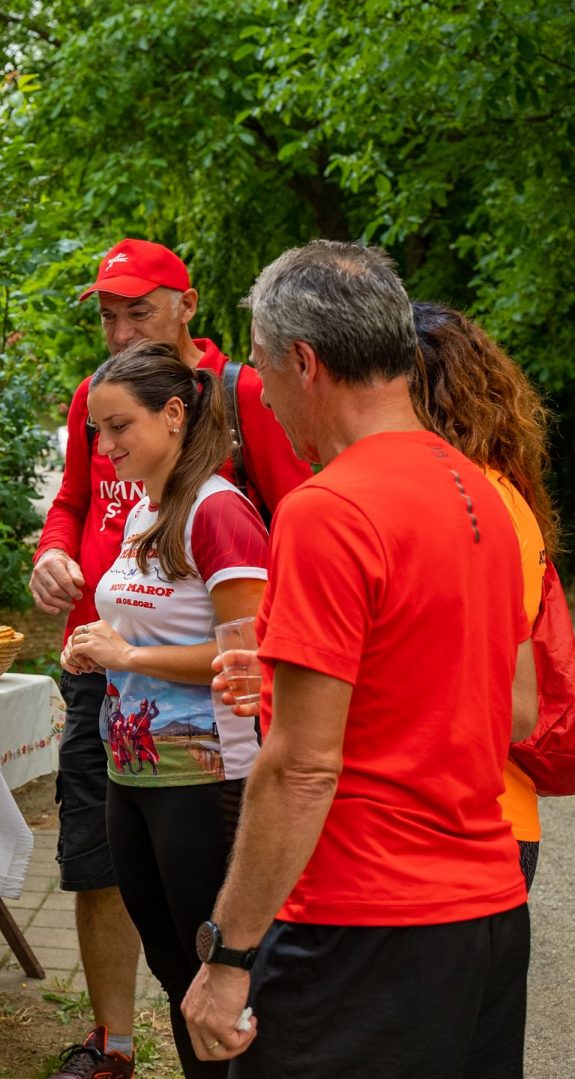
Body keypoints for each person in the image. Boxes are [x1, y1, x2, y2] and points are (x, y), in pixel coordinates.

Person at [181, 241, 537, 1078]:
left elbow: (300, 767)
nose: (260, 401)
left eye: (262, 373)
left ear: (303, 362)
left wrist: (227, 958)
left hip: (361, 924)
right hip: (484, 916)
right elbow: (482, 701)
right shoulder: (479, 489)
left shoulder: (329, 508)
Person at [30, 238, 306, 1078]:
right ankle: (114, 1041)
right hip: (128, 738)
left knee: (211, 964)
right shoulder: (139, 492)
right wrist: (66, 580)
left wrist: (134, 648)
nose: (116, 330)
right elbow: (73, 504)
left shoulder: (236, 414)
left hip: (204, 756)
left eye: (135, 311)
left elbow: (287, 553)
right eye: (106, 314)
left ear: (185, 305)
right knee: (137, 915)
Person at [61, 341, 269, 1078]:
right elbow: (140, 628)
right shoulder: (145, 507)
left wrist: (130, 658)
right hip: (133, 774)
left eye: (118, 427)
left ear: (173, 414)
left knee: (209, 972)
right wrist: (94, 647)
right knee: (174, 969)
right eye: (96, 432)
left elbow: (252, 656)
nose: (105, 446)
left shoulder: (218, 511)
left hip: (203, 778)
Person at [410, 300, 560, 889]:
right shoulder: (492, 488)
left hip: (467, 821)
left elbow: (510, 704)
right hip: (490, 812)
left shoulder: (472, 500)